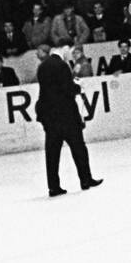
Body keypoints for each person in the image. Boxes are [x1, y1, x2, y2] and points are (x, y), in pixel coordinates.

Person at [34, 42, 102, 198]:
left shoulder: (42, 67)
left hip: (49, 116)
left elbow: (48, 90)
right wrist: (77, 87)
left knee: (52, 153)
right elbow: (67, 89)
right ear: (62, 53)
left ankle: (53, 186)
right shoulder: (62, 66)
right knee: (78, 148)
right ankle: (85, 180)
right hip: (66, 115)